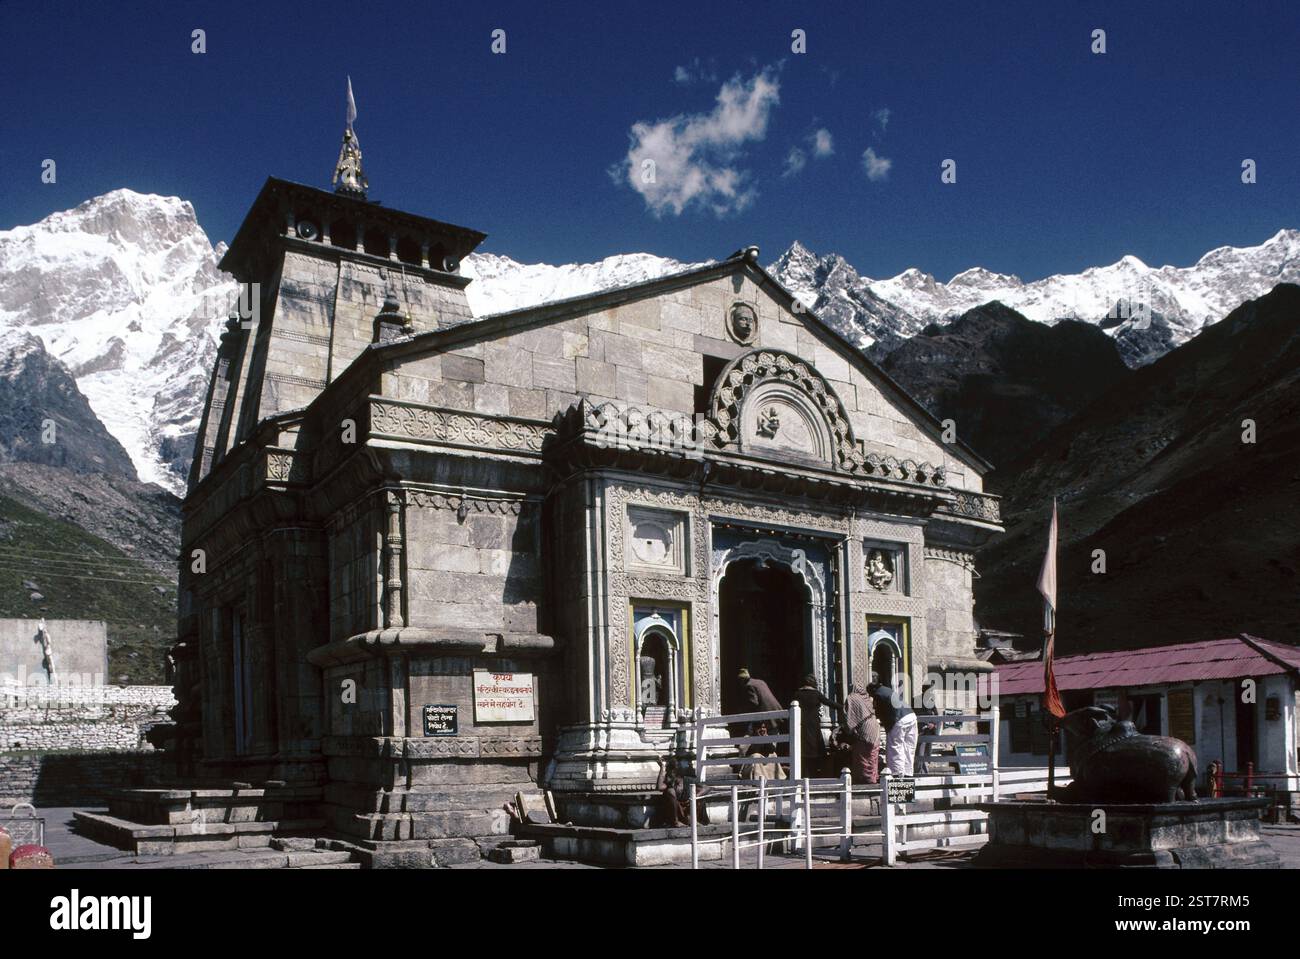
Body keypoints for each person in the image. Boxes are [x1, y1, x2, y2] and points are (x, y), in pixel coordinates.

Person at [791, 673, 841, 778]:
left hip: (801, 724)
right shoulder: (816, 694)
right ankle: (814, 772)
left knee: (803, 747)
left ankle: (804, 773)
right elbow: (829, 702)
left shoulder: (798, 694)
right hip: (813, 724)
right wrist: (842, 707)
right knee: (815, 748)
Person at [871, 681, 918, 777]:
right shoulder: (888, 690)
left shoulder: (878, 694)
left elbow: (878, 711)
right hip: (911, 716)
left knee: (895, 747)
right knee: (908, 747)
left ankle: (896, 774)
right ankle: (908, 773)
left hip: (898, 719)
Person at [843, 683, 882, 784]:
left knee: (862, 754)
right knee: (872, 754)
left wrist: (849, 729)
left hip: (865, 728)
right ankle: (873, 778)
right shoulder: (866, 698)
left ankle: (864, 780)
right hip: (875, 726)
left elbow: (849, 716)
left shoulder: (852, 697)